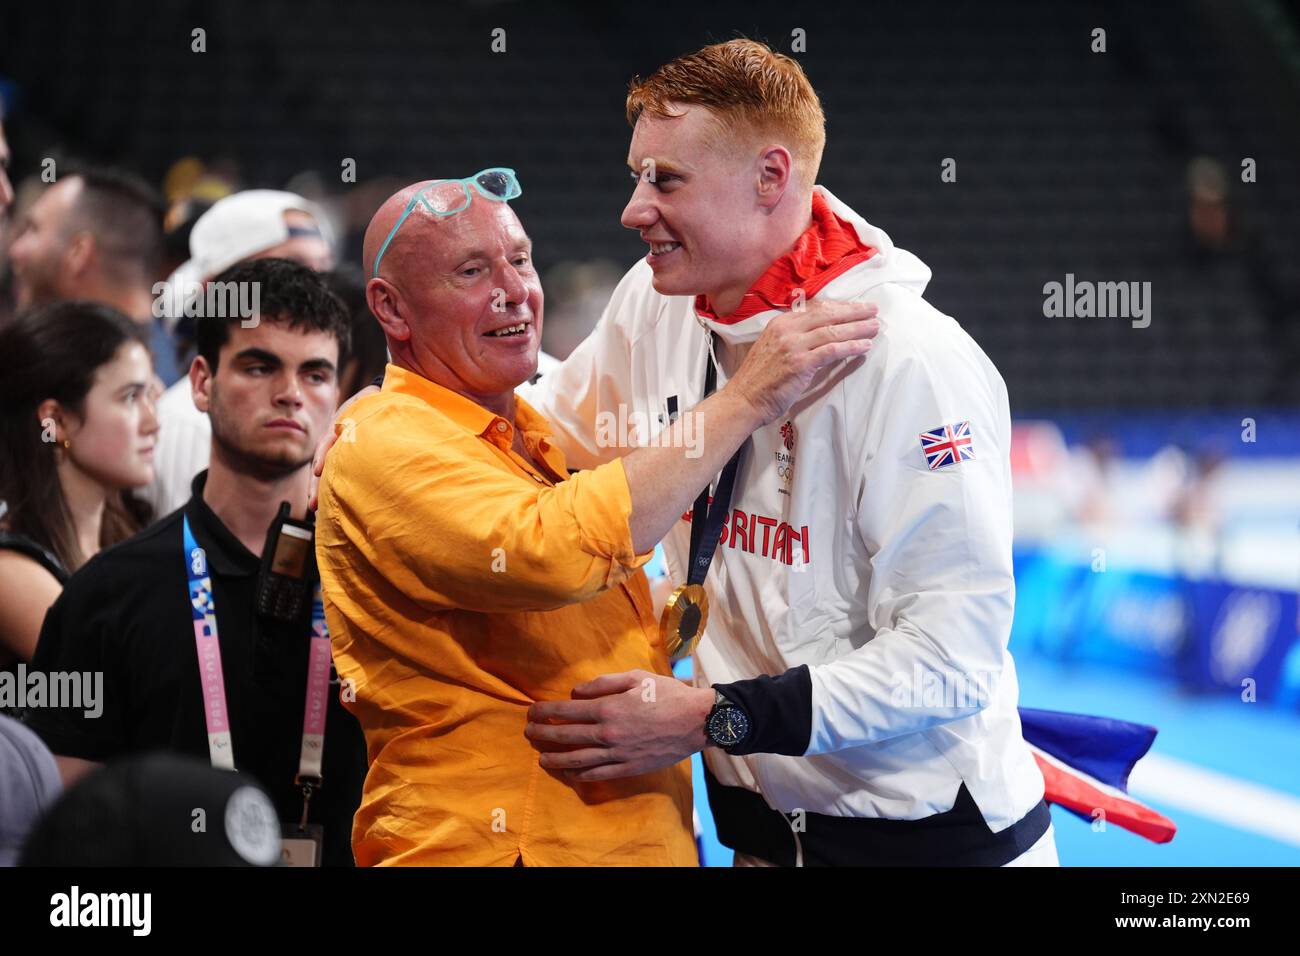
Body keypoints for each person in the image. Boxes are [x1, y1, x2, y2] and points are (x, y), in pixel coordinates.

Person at [519, 40, 1057, 866]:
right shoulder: (652, 303)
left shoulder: (913, 362)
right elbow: (546, 440)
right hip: (767, 838)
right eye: (637, 176)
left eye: (665, 180)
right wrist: (398, 423)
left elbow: (951, 661)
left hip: (929, 846)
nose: (632, 209)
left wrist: (713, 716)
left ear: (772, 177)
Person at [313, 169, 877, 866]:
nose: (514, 289)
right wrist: (750, 395)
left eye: (519, 259)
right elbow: (548, 552)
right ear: (392, 310)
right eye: (470, 270)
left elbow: (581, 604)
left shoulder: (535, 430)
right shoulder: (385, 441)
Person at [24, 258, 367, 867]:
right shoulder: (108, 592)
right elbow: (69, 825)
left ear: (339, 395)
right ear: (202, 382)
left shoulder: (380, 584)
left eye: (315, 374)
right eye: (260, 365)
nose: (290, 392)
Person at [145, 189, 336, 517]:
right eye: (290, 268)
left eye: (322, 271)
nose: (311, 288)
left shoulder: (329, 405)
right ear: (217, 290)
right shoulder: (192, 421)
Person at [0, 303, 158, 675]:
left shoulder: (132, 532)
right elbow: (130, 685)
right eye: (131, 398)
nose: (153, 422)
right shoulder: (9, 570)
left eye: (152, 395)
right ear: (56, 421)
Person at [5, 165, 176, 382]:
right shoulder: (174, 366)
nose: (15, 250)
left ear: (79, 253)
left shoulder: (156, 391)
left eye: (33, 229)